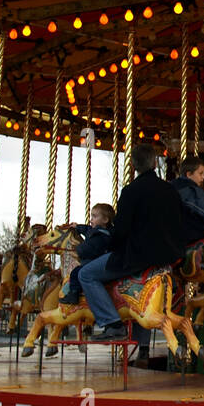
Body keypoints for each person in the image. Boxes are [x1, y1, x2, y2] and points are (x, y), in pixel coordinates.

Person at [79, 143, 185, 341]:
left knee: (86, 274)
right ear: (155, 163)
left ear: (133, 166)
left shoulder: (130, 191)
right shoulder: (170, 191)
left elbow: (121, 230)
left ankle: (111, 323)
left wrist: (111, 246)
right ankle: (141, 343)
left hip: (138, 256)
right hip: (169, 255)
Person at [58, 203, 115, 305]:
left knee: (76, 272)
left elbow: (89, 248)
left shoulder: (101, 236)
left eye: (94, 216)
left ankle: (74, 294)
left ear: (105, 220)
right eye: (91, 216)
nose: (91, 219)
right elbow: (87, 229)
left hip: (92, 262)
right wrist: (77, 227)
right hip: (94, 261)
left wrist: (78, 250)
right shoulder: (97, 231)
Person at [172, 157, 204, 246]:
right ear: (188, 174)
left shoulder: (171, 186)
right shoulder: (193, 191)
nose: (203, 177)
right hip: (191, 238)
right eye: (200, 174)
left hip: (172, 238)